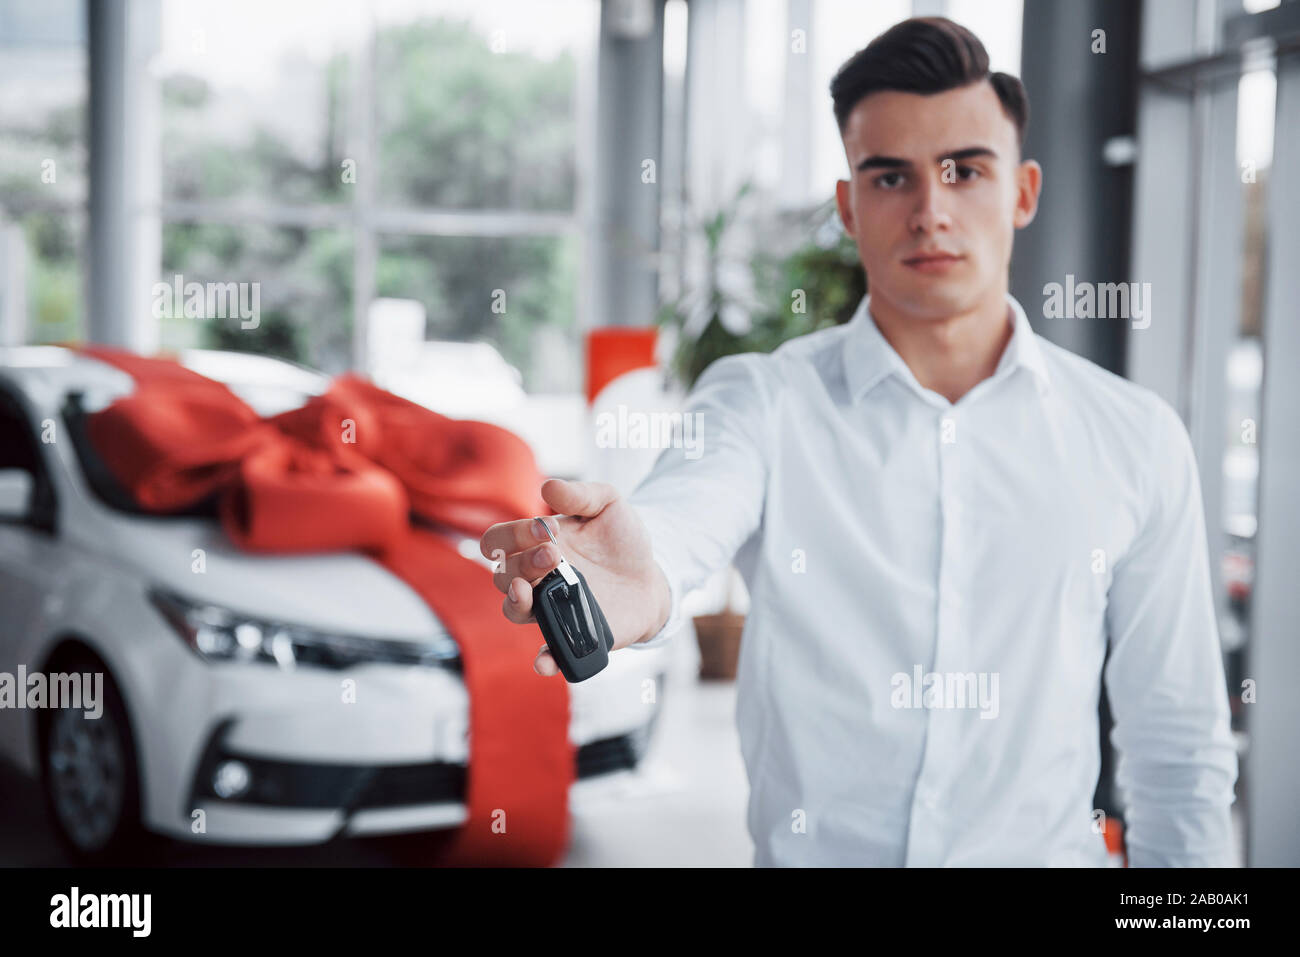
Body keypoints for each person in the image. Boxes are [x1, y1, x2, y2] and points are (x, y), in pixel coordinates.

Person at [479, 16, 1238, 867]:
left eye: (965, 171)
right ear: (849, 205)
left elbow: (1180, 749)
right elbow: (685, 516)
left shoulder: (1134, 440)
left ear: (1022, 192)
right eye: (890, 177)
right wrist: (641, 578)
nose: (930, 211)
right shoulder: (765, 402)